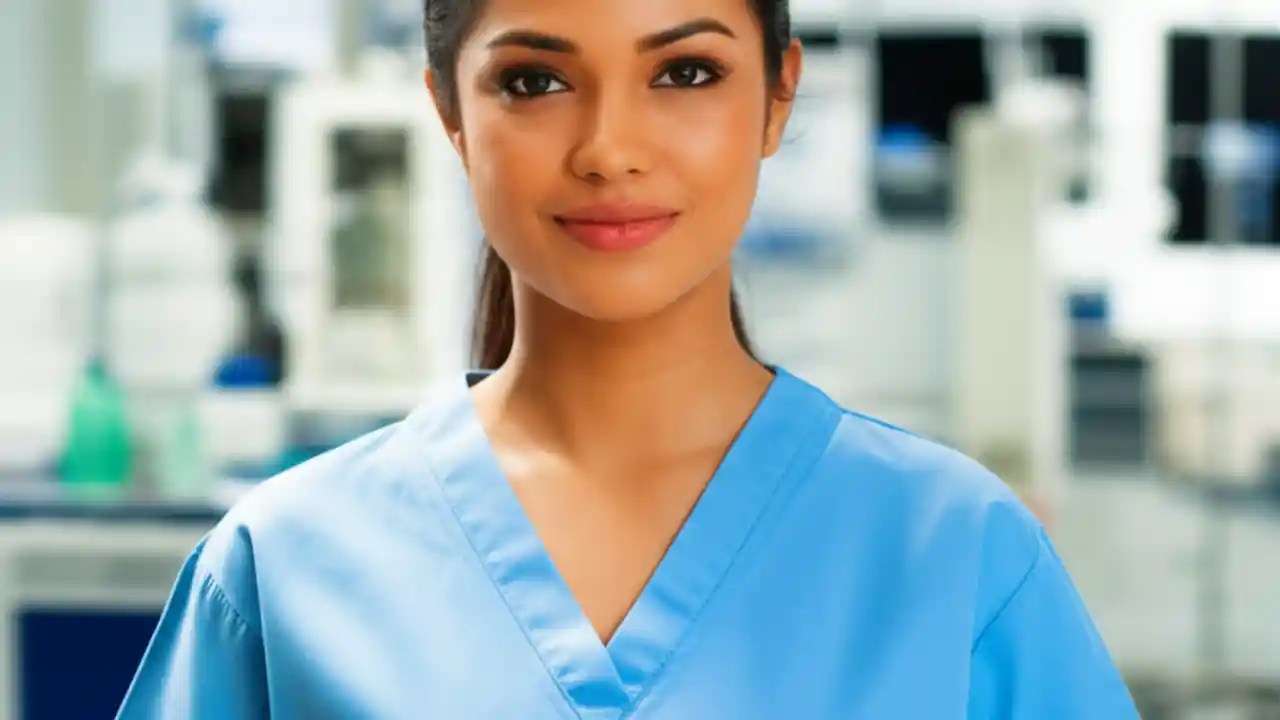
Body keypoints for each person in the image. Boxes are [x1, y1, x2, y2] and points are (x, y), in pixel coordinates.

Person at [117, 0, 1140, 717]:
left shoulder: (953, 557)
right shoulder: (285, 571)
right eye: (535, 80)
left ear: (778, 96)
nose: (609, 147)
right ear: (448, 114)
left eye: (684, 72)